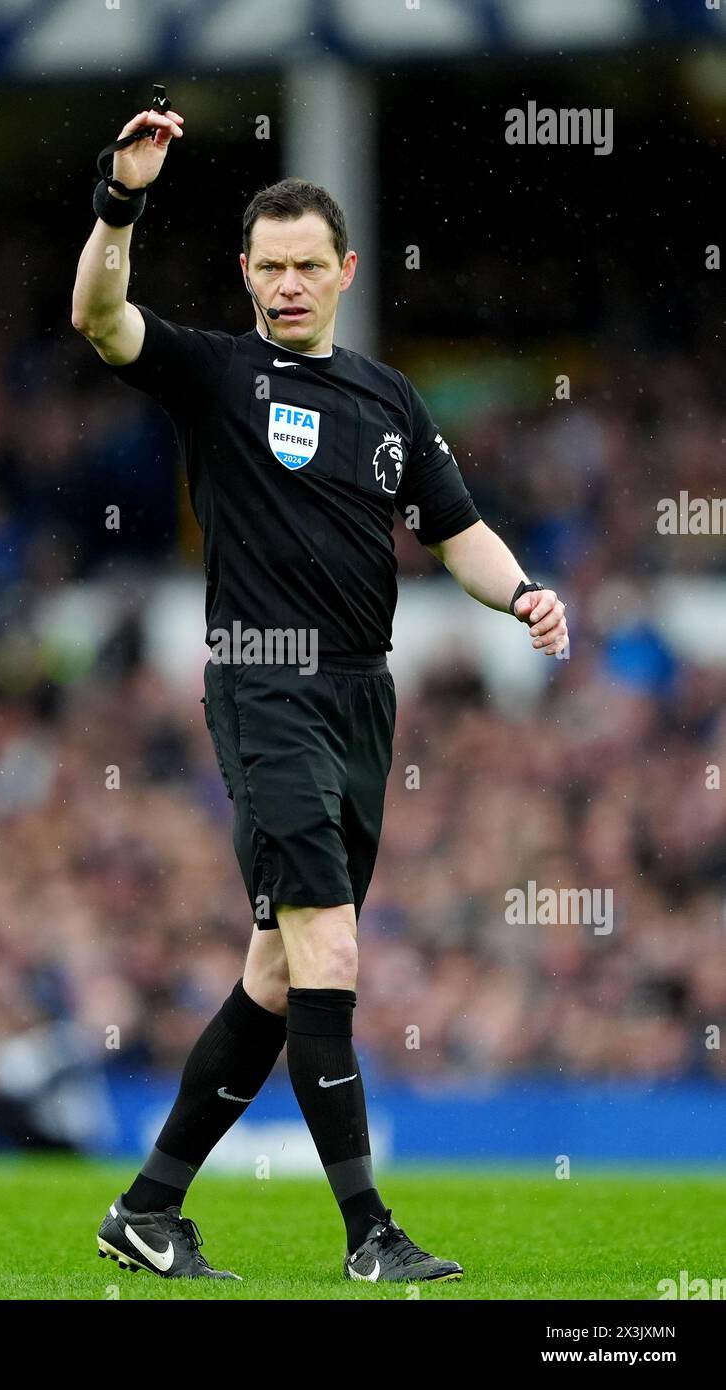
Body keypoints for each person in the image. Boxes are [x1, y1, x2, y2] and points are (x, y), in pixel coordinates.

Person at [71, 104, 568, 1283]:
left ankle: (146, 1208)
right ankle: (369, 1234)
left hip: (360, 698)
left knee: (280, 975)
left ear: (345, 271)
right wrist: (121, 198)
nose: (288, 286)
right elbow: (99, 318)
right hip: (264, 681)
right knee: (331, 947)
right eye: (268, 267)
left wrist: (527, 593)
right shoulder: (216, 370)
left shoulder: (390, 401)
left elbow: (459, 533)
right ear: (243, 272)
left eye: (308, 266)